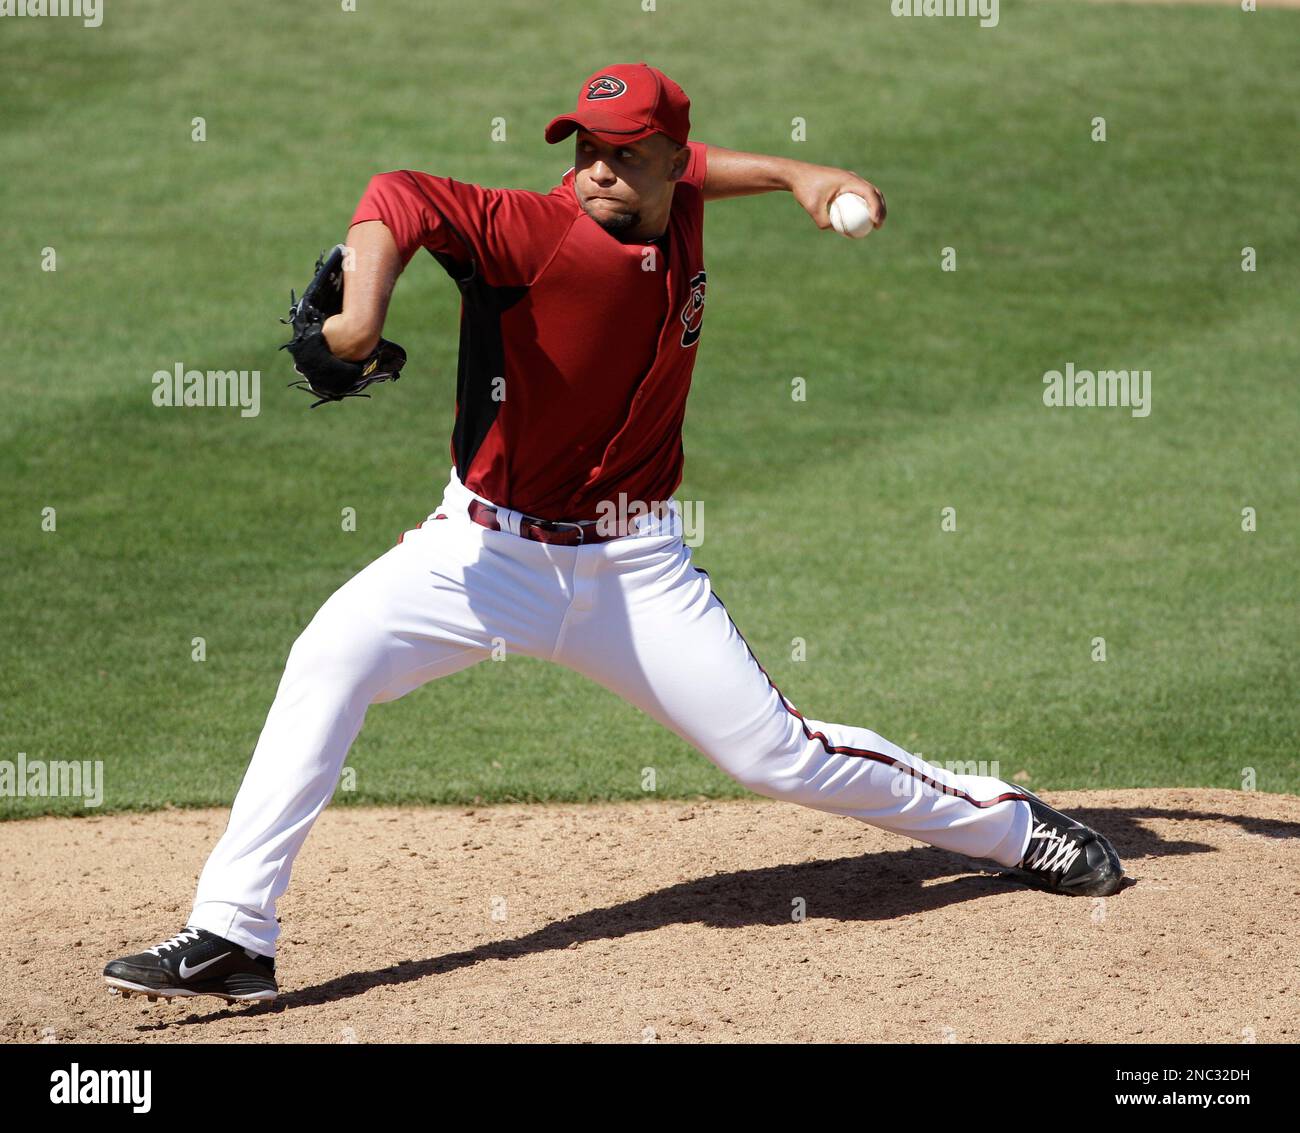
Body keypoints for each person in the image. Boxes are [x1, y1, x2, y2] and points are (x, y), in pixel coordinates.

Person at [104, 62, 1123, 1006]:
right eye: (584, 147)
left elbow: (713, 168)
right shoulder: (525, 231)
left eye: (625, 152)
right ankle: (232, 932)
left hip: (634, 570)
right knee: (329, 654)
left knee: (780, 756)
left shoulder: (677, 205)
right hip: (479, 559)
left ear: (671, 163)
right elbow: (398, 195)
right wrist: (360, 320)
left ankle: (1015, 826)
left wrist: (799, 176)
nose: (596, 169)